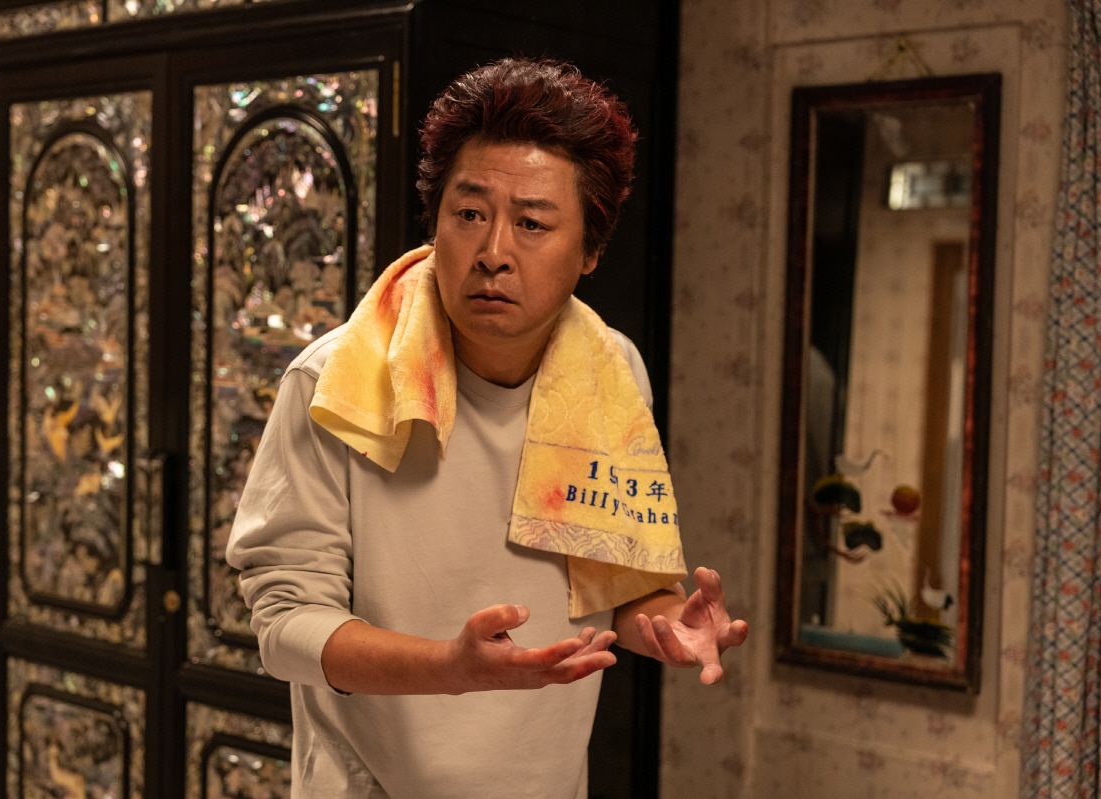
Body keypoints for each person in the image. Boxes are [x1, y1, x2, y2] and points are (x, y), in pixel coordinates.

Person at [227, 57, 748, 799]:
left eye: (532, 223)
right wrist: (450, 667)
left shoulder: (611, 373)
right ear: (436, 222)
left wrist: (667, 624)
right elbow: (284, 626)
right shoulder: (336, 382)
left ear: (590, 251)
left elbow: (617, 580)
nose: (494, 252)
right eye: (469, 214)